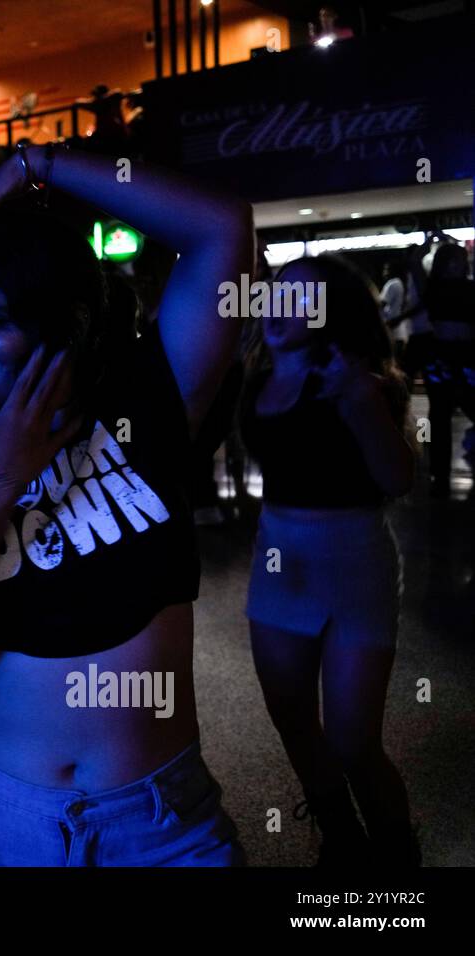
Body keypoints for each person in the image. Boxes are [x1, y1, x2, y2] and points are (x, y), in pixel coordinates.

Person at [0, 144, 254, 866]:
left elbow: (223, 227)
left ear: (61, 327)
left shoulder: (147, 394)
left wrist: (36, 164)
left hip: (159, 821)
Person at [240, 254, 418, 866]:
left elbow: (397, 479)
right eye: (275, 295)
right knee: (291, 720)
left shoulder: (359, 379)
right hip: (278, 564)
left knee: (352, 741)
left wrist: (363, 409)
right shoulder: (254, 379)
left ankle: (397, 866)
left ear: (329, 314)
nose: (279, 310)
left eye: (301, 299)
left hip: (354, 566)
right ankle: (342, 842)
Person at [420, 243, 475, 494]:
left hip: (461, 353)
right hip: (445, 353)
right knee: (439, 413)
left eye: (460, 260)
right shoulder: (434, 287)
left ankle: (438, 472)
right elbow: (415, 267)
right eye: (452, 260)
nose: (457, 265)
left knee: (449, 410)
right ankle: (437, 472)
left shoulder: (463, 287)